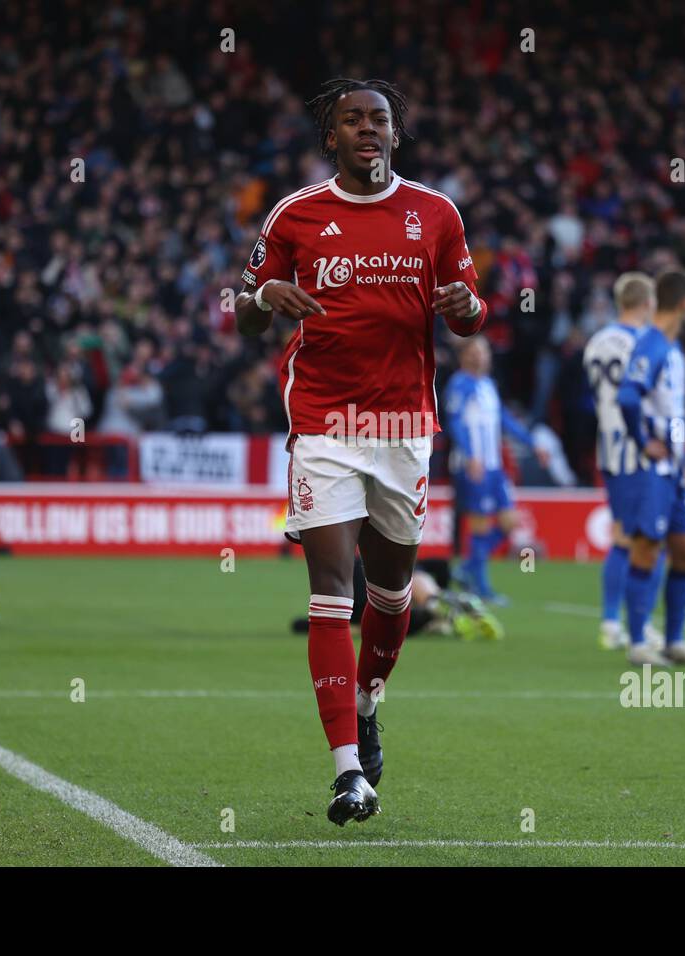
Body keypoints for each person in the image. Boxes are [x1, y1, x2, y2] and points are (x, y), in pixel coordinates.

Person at [233, 77, 486, 826]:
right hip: (323, 424)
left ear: (396, 134)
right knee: (329, 591)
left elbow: (472, 313)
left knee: (393, 589)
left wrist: (464, 307)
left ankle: (369, 702)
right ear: (331, 138)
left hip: (404, 427)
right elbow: (245, 312)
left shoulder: (435, 214)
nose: (367, 129)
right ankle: (348, 771)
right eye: (352, 120)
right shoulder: (295, 215)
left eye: (379, 119)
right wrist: (260, 300)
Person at [616, 270, 685, 667]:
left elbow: (668, 414)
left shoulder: (673, 351)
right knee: (646, 547)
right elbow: (627, 397)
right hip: (650, 472)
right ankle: (638, 642)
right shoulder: (652, 346)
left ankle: (674, 640)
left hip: (672, 472)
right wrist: (644, 444)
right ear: (684, 303)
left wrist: (681, 468)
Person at [583, 272, 665, 650]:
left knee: (623, 533)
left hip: (610, 447)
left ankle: (613, 622)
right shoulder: (644, 342)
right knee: (647, 537)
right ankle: (637, 623)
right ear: (648, 304)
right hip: (640, 447)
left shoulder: (596, 342)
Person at [443, 336, 549, 604]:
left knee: (508, 522)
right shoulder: (459, 384)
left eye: (484, 351)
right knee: (479, 527)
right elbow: (454, 422)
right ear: (464, 356)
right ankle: (481, 588)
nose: (480, 356)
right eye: (475, 351)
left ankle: (467, 569)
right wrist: (470, 455)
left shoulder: (488, 385)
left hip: (494, 468)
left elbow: (505, 420)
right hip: (473, 466)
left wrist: (532, 443)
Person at [290, 555, 504, 641]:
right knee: (410, 575)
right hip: (374, 582)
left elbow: (307, 625)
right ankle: (438, 603)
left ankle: (439, 611)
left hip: (361, 602)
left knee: (398, 603)